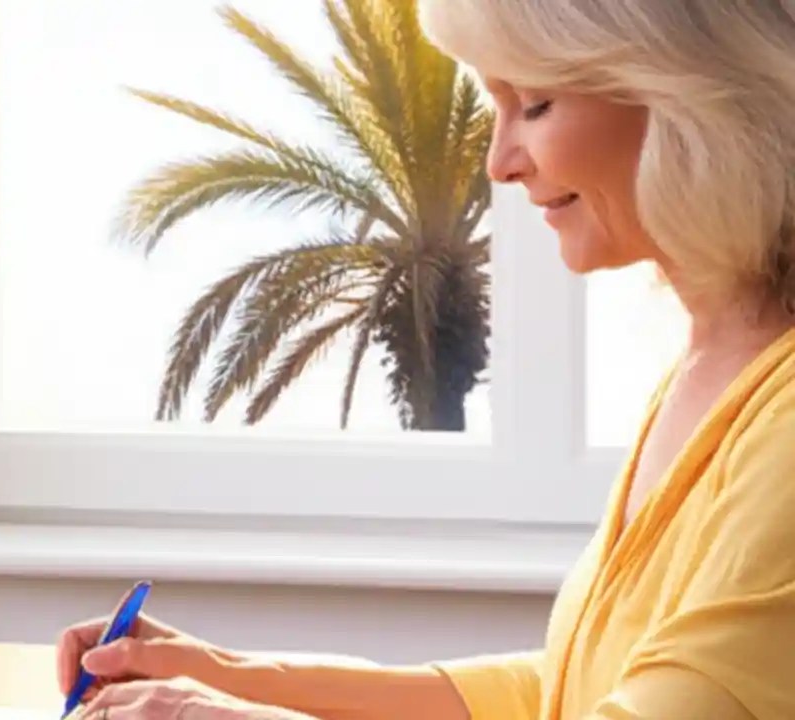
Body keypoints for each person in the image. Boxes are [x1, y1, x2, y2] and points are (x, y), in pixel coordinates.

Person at [55, 1, 795, 719]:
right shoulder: (714, 364)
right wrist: (230, 679)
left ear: (693, 100)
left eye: (535, 105)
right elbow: (573, 689)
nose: (500, 163)